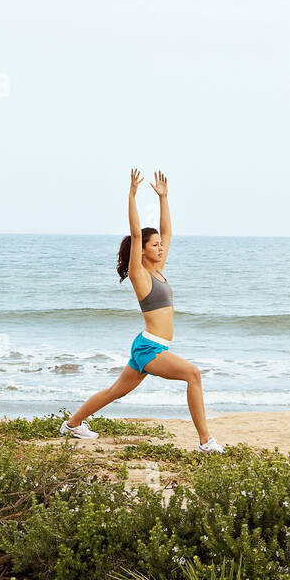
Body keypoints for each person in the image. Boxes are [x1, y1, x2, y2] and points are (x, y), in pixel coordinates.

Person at [61, 169, 223, 452]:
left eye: (161, 245)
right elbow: (136, 233)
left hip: (147, 344)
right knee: (193, 375)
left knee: (114, 392)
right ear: (144, 250)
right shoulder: (140, 275)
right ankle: (205, 442)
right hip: (150, 349)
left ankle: (72, 424)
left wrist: (164, 198)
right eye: (155, 245)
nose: (161, 248)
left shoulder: (158, 270)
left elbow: (168, 231)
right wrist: (132, 195)